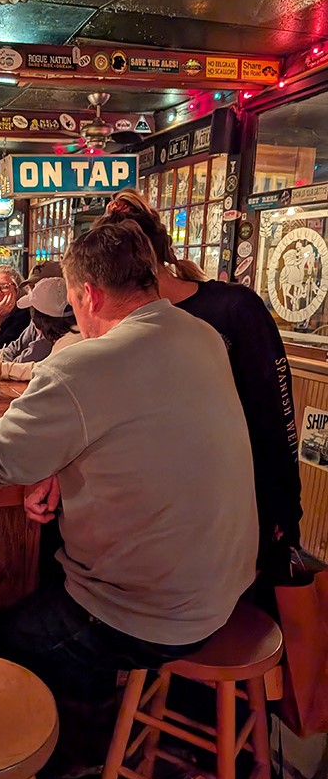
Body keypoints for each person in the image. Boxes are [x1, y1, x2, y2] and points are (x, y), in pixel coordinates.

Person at [0, 221, 257, 703]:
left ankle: (72, 736)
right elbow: (149, 435)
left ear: (90, 296)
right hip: (226, 592)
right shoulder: (204, 336)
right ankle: (89, 712)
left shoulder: (83, 364)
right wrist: (59, 464)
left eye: (73, 301)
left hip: (148, 619)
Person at [100, 191, 302, 585]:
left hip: (237, 509)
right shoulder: (125, 324)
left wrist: (284, 513)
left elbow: (277, 418)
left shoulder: (233, 308)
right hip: (165, 514)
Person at [1, 277, 81, 381]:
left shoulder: (69, 343)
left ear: (40, 321)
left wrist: (2, 369)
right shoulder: (74, 333)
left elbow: (44, 371)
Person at [1, 261, 64, 365]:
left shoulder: (59, 319)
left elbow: (29, 359)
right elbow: (14, 348)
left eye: (40, 286)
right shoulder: (36, 314)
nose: (33, 291)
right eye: (31, 286)